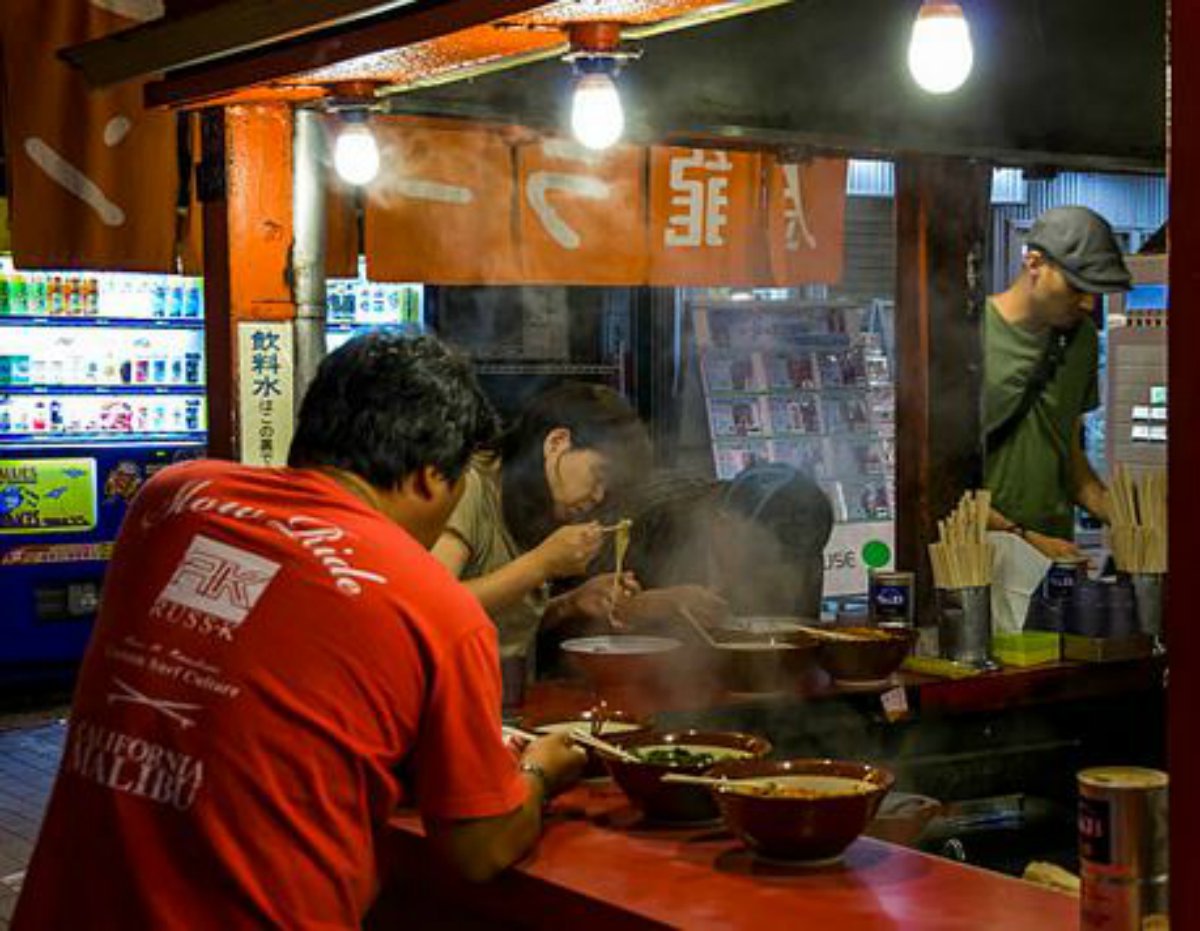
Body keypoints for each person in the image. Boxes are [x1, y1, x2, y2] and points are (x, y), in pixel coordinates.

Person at [13, 334, 586, 931]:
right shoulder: (433, 605)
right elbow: (480, 849)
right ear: (428, 478)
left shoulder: (172, 500)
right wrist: (542, 771)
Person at [432, 381, 651, 675]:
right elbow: (433, 607)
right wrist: (542, 563)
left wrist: (569, 604)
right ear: (556, 442)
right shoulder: (468, 487)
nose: (598, 496)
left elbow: (500, 622)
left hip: (505, 695)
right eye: (598, 475)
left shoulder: (534, 506)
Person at [983, 206, 1132, 559]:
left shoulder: (1079, 340)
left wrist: (1124, 515)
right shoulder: (969, 334)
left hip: (1058, 555)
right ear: (1034, 264)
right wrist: (1022, 538)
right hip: (980, 554)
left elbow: (1067, 452)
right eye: (1077, 286)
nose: (1088, 302)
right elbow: (936, 483)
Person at [610, 462, 835, 631]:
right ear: (721, 525)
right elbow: (591, 616)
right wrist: (652, 605)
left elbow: (800, 640)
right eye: (758, 558)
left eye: (786, 565)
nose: (771, 574)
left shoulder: (800, 539)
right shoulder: (653, 523)